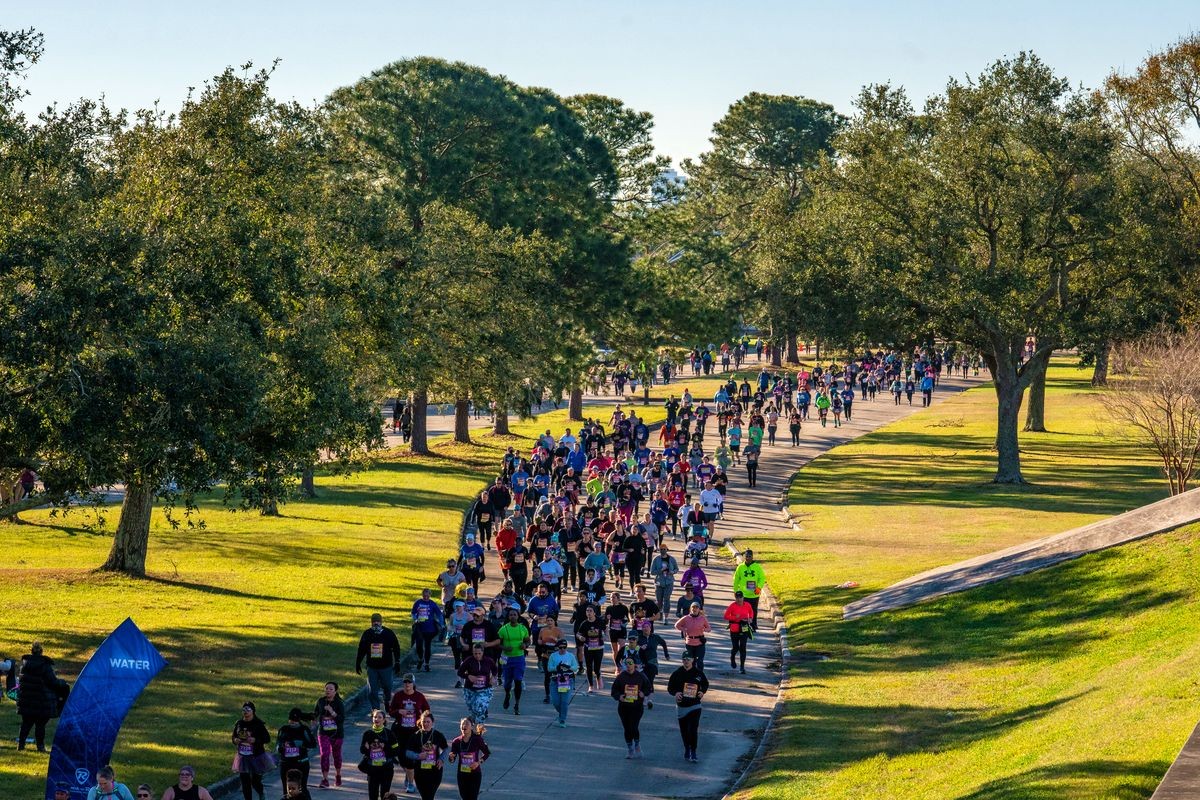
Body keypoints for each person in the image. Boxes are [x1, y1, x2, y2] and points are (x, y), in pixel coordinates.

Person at [17, 641, 66, 752]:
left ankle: (20, 745)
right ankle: (40, 746)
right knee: (40, 725)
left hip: (27, 699)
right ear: (41, 651)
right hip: (42, 700)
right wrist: (62, 683)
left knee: (26, 723)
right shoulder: (45, 665)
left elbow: (22, 681)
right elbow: (53, 682)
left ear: (31, 651)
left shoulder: (25, 665)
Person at [389, 673, 431, 794]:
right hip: (400, 731)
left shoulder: (419, 697)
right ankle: (408, 775)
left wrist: (421, 717)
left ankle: (411, 784)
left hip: (414, 732)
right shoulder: (398, 695)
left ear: (413, 684)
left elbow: (427, 711)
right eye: (405, 682)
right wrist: (399, 711)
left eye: (409, 682)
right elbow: (391, 712)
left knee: (410, 758)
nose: (407, 685)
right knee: (401, 757)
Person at [667, 652, 710, 762]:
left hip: (695, 705)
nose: (686, 661)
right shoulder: (677, 673)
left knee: (693, 729)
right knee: (684, 730)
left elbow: (705, 683)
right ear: (682, 660)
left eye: (688, 659)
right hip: (681, 706)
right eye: (684, 659)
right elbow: (670, 688)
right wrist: (676, 693)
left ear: (692, 660)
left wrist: (702, 692)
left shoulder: (698, 673)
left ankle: (694, 752)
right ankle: (687, 748)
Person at [356, 613, 403, 711]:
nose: (376, 623)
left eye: (378, 621)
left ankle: (387, 701)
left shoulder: (388, 633)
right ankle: (376, 709)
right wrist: (358, 663)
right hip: (372, 666)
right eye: (374, 622)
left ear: (381, 622)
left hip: (386, 666)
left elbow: (396, 648)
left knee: (387, 686)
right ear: (371, 622)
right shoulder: (367, 634)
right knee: (372, 690)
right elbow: (361, 649)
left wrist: (397, 662)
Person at [610, 657, 654, 759]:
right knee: (627, 728)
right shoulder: (621, 677)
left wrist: (644, 693)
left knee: (634, 726)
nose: (629, 666)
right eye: (627, 664)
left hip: (637, 706)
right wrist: (619, 696)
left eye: (631, 664)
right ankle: (630, 748)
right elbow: (614, 691)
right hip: (624, 707)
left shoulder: (640, 676)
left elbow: (648, 687)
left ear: (634, 665)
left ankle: (637, 744)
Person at [231, 702, 272, 800]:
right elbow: (234, 736)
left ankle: (261, 793)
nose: (245, 712)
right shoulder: (239, 723)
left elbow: (267, 739)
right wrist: (235, 740)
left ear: (253, 711)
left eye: (248, 710)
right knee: (245, 782)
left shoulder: (259, 724)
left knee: (255, 781)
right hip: (243, 757)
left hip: (257, 756)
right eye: (244, 710)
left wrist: (255, 740)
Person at [404, 711, 449, 800]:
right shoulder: (415, 736)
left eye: (428, 722)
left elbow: (445, 749)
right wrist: (418, 756)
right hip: (420, 772)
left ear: (432, 722)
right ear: (420, 722)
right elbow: (408, 753)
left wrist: (441, 759)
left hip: (435, 771)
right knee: (425, 796)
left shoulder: (438, 735)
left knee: (429, 796)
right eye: (424, 721)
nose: (426, 724)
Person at [497, 608, 531, 715]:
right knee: (507, 683)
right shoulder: (503, 629)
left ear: (518, 616)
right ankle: (507, 694)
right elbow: (498, 643)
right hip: (507, 659)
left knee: (518, 681)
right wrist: (504, 648)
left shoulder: (523, 628)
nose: (512, 616)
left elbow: (528, 640)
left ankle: (517, 704)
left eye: (514, 615)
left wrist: (525, 645)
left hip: (519, 658)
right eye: (511, 615)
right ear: (508, 617)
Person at [360, 709, 400, 800]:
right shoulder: (367, 733)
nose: (376, 719)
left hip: (386, 769)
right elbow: (362, 749)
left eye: (379, 717)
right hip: (372, 769)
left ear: (384, 720)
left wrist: (385, 747)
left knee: (385, 796)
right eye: (374, 717)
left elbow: (396, 750)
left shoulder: (389, 734)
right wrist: (369, 750)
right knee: (372, 796)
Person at [448, 718, 491, 800]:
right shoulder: (456, 741)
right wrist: (451, 757)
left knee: (472, 797)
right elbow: (452, 759)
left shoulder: (477, 739)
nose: (464, 726)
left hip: (475, 774)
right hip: (462, 774)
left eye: (467, 724)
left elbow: (487, 753)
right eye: (462, 724)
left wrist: (478, 762)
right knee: (464, 797)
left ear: (471, 726)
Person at [276, 708, 316, 793]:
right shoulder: (283, 729)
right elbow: (278, 746)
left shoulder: (304, 729)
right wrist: (283, 747)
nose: (292, 722)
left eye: (295, 721)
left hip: (301, 763)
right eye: (291, 720)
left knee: (302, 789)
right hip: (286, 763)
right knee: (286, 790)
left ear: (299, 720)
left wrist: (299, 745)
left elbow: (312, 744)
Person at [314, 682, 345, 788]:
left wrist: (332, 712)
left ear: (335, 691)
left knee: (336, 755)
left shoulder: (339, 703)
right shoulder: (320, 701)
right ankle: (325, 779)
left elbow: (341, 719)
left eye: (331, 689)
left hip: (337, 733)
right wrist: (313, 719)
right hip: (323, 732)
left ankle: (338, 775)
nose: (328, 691)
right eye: (326, 688)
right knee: (324, 754)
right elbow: (316, 713)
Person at [455, 643, 495, 723]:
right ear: (472, 652)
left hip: (484, 689)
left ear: (483, 652)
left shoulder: (488, 661)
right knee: (473, 710)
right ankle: (473, 728)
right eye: (475, 653)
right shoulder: (469, 660)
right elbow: (460, 672)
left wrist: (493, 678)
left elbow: (495, 670)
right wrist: (468, 676)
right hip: (470, 689)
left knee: (479, 708)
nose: (477, 655)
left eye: (479, 653)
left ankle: (479, 729)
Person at [546, 638, 580, 727]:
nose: (562, 649)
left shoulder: (570, 656)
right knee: (556, 702)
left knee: (564, 702)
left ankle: (562, 720)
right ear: (557, 647)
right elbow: (549, 668)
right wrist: (557, 667)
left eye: (564, 647)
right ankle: (562, 712)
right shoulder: (553, 656)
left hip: (567, 680)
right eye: (560, 647)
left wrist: (568, 667)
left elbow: (575, 667)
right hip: (555, 680)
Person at [733, 549, 767, 630]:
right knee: (743, 611)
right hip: (743, 594)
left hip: (754, 594)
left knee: (753, 610)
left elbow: (762, 578)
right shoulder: (740, 567)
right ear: (744, 557)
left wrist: (759, 588)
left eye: (749, 556)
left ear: (752, 557)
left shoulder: (757, 567)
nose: (748, 558)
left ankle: (753, 625)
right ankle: (744, 626)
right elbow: (736, 579)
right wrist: (735, 590)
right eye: (746, 556)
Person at [411, 589, 443, 673]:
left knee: (427, 646)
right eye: (424, 596)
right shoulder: (418, 603)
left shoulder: (432, 604)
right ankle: (421, 659)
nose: (425, 597)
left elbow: (439, 614)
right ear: (422, 595)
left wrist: (442, 623)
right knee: (419, 645)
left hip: (429, 628)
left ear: (430, 595)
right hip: (419, 627)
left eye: (427, 596)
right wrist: (415, 619)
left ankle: (427, 664)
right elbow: (413, 613)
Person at [674, 602, 712, 672]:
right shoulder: (686, 618)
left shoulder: (702, 618)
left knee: (699, 661)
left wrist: (704, 629)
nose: (694, 609)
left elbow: (709, 628)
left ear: (699, 609)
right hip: (689, 643)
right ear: (690, 609)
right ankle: (691, 676)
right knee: (691, 661)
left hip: (700, 643)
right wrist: (684, 629)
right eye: (693, 607)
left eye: (696, 608)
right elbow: (676, 625)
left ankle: (700, 676)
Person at [724, 591, 755, 673]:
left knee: (743, 647)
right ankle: (732, 657)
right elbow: (725, 616)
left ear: (743, 597)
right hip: (734, 629)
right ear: (735, 598)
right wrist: (734, 617)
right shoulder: (732, 606)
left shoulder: (747, 605)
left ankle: (742, 667)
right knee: (735, 647)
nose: (739, 599)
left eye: (740, 597)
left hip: (744, 628)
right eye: (737, 598)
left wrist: (750, 618)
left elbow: (751, 612)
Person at [650, 546, 678, 620]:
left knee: (666, 599)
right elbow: (652, 572)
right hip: (659, 582)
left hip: (669, 582)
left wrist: (672, 572)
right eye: (661, 549)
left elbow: (676, 569)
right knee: (659, 600)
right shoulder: (656, 559)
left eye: (664, 549)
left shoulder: (671, 559)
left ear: (667, 550)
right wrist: (660, 570)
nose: (663, 551)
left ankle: (666, 617)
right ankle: (659, 613)